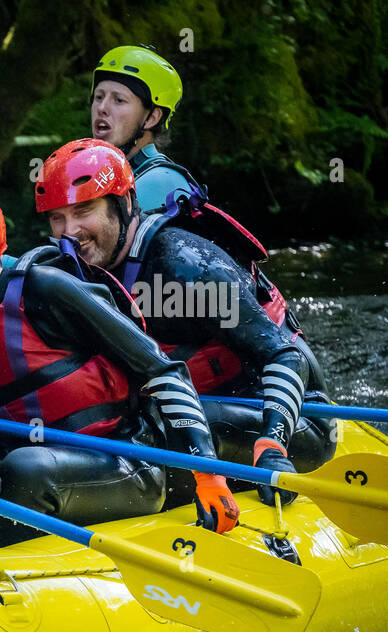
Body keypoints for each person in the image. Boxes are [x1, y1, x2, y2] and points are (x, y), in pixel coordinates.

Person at [0, 180, 240, 539]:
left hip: (127, 465)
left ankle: (0, 568)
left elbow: (164, 371)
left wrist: (207, 473)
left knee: (27, 468)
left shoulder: (45, 288)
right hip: (38, 473)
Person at [35, 138, 336, 504]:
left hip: (294, 421)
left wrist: (272, 445)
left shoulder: (184, 266)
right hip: (200, 413)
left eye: (84, 210)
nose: (69, 231)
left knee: (159, 426)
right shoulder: (77, 271)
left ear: (126, 204)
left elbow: (285, 356)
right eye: (57, 218)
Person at [89, 45, 198, 213]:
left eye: (119, 100)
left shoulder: (161, 182)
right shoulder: (107, 174)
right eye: (99, 97)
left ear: (152, 118)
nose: (101, 107)